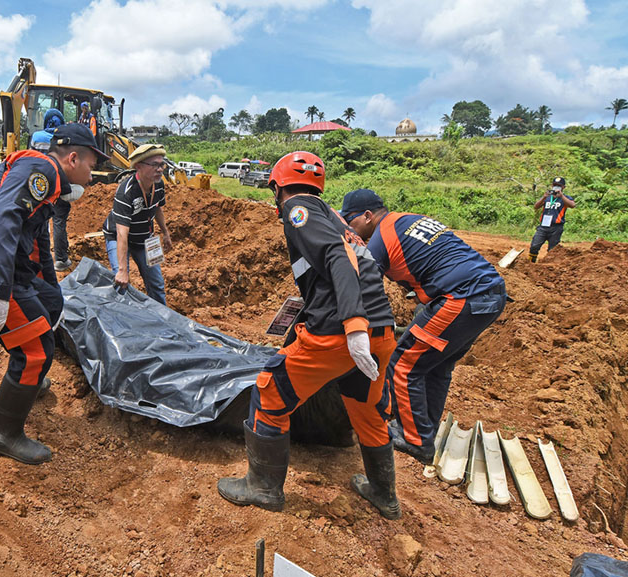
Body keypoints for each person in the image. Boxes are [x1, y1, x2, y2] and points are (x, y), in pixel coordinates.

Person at [217, 152, 402, 519]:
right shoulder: (332, 216)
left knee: (270, 389)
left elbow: (336, 257)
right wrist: (363, 327)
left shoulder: (297, 209)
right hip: (382, 331)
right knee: (367, 411)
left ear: (277, 186)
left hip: (340, 333)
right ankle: (384, 494)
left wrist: (352, 325)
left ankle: (263, 488)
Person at [0, 123, 108, 464]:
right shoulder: (41, 170)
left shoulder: (50, 181)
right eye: (91, 166)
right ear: (72, 158)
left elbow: (38, 240)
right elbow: (2, 219)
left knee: (48, 307)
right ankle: (2, 434)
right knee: (35, 350)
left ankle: (29, 385)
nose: (92, 177)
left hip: (3, 268)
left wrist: (50, 290)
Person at [341, 188, 506, 464]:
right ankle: (423, 428)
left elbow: (363, 285)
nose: (351, 228)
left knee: (403, 364)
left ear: (367, 216)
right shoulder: (408, 219)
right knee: (436, 365)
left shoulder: (381, 238)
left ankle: (415, 440)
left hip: (462, 296)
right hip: (489, 292)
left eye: (351, 221)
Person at [102, 144, 172, 305]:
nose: (160, 169)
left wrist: (165, 233)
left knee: (157, 284)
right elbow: (121, 233)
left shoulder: (159, 185)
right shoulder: (126, 192)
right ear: (139, 166)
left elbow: (157, 209)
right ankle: (124, 321)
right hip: (118, 237)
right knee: (121, 283)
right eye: (155, 164)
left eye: (162, 164)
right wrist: (122, 270)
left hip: (145, 238)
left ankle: (162, 320)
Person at [29, 110, 76, 270]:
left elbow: (30, 159)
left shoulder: (36, 137)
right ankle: (61, 259)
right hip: (57, 184)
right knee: (58, 221)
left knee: (37, 220)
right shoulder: (65, 139)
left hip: (37, 185)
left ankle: (36, 259)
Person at [529, 176, 575, 262]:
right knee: (534, 245)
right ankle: (531, 262)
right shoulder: (547, 197)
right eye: (555, 185)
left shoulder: (565, 198)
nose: (556, 187)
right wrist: (543, 197)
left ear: (563, 187)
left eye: (559, 185)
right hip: (543, 226)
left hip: (556, 227)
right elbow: (536, 206)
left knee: (552, 250)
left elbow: (572, 205)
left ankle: (548, 266)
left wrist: (561, 196)